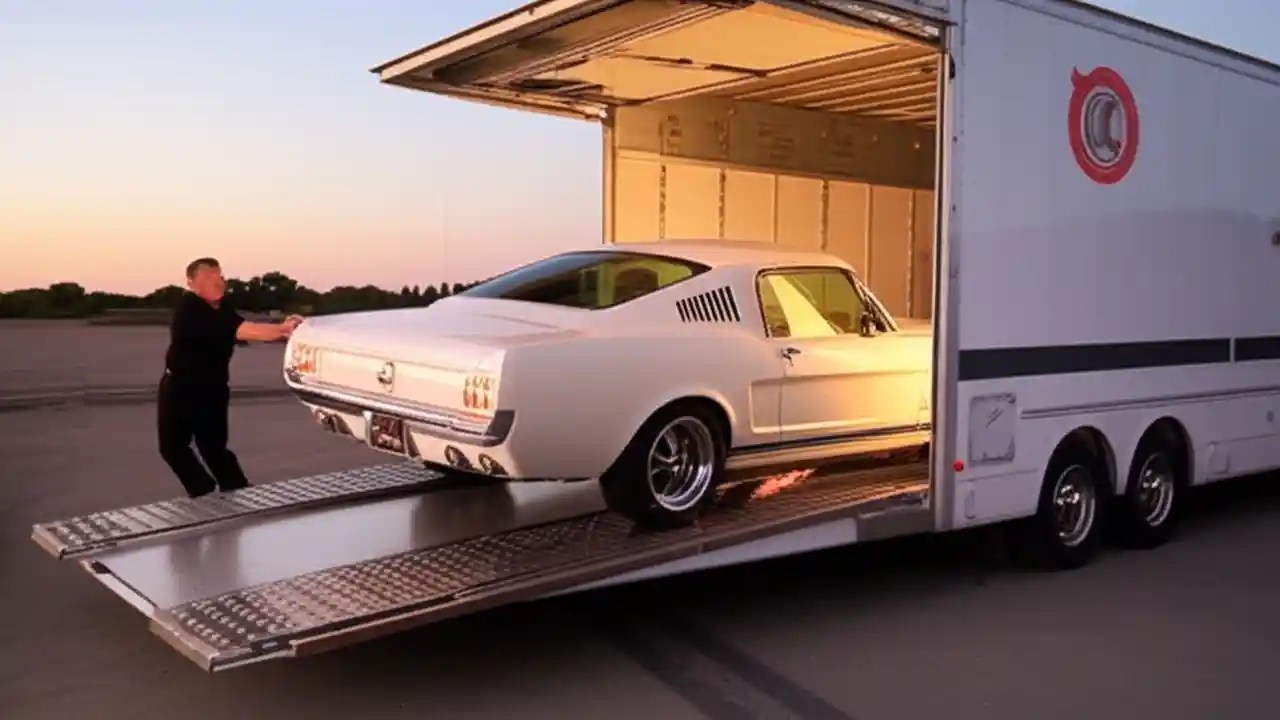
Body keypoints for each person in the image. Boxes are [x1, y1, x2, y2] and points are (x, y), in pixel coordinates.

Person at [157, 257, 303, 498]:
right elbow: (243, 330)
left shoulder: (223, 307)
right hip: (179, 388)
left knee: (213, 447)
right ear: (191, 284)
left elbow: (244, 326)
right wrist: (282, 328)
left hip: (212, 390)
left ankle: (236, 488)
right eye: (207, 278)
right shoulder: (190, 309)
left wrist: (290, 330)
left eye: (219, 277)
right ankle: (202, 490)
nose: (217, 283)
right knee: (172, 447)